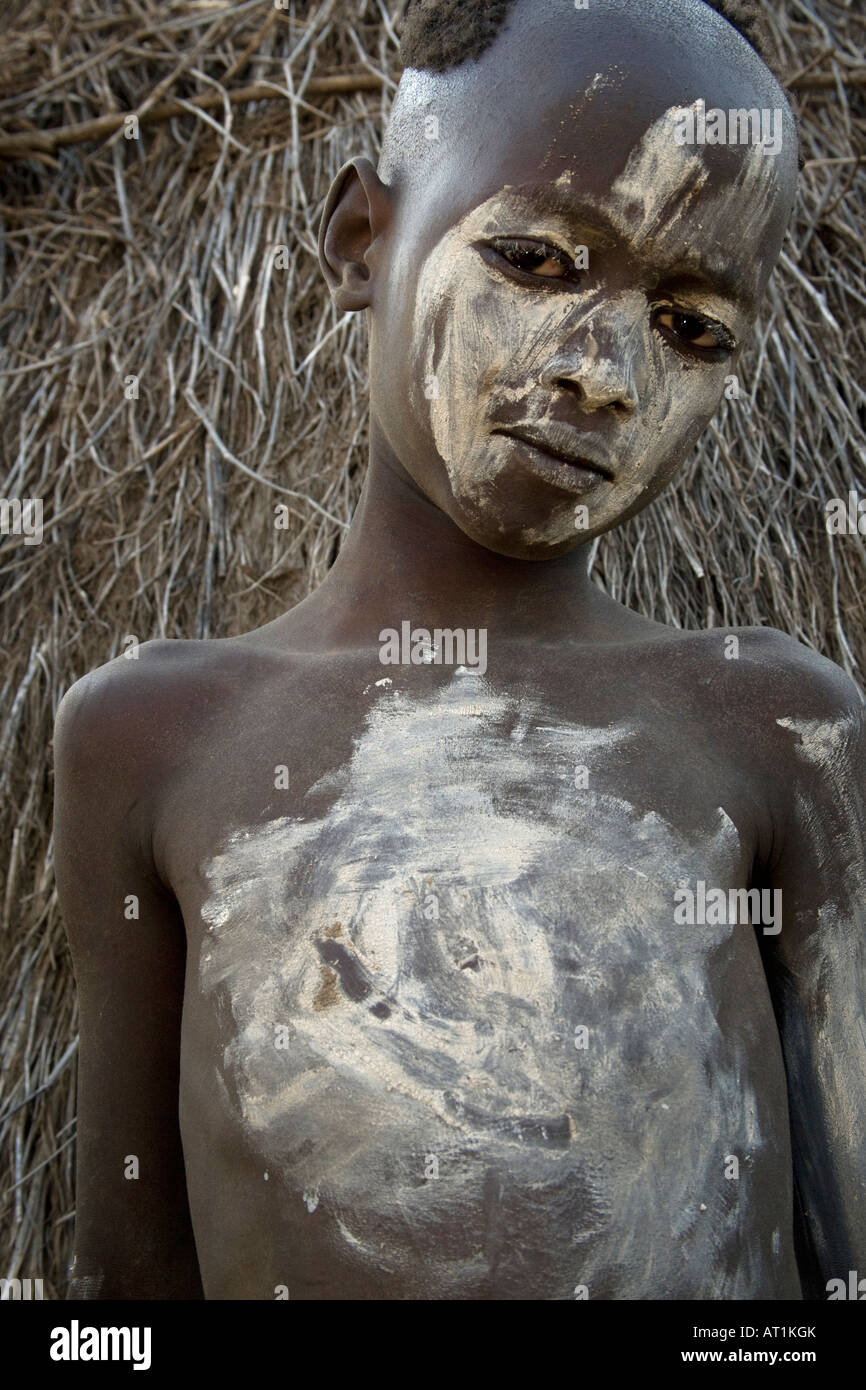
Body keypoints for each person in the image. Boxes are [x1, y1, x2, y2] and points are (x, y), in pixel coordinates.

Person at [54, 0, 866, 1300]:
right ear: (361, 237)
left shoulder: (773, 725)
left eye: (691, 327)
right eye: (538, 262)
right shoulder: (150, 735)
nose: (602, 374)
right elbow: (122, 1284)